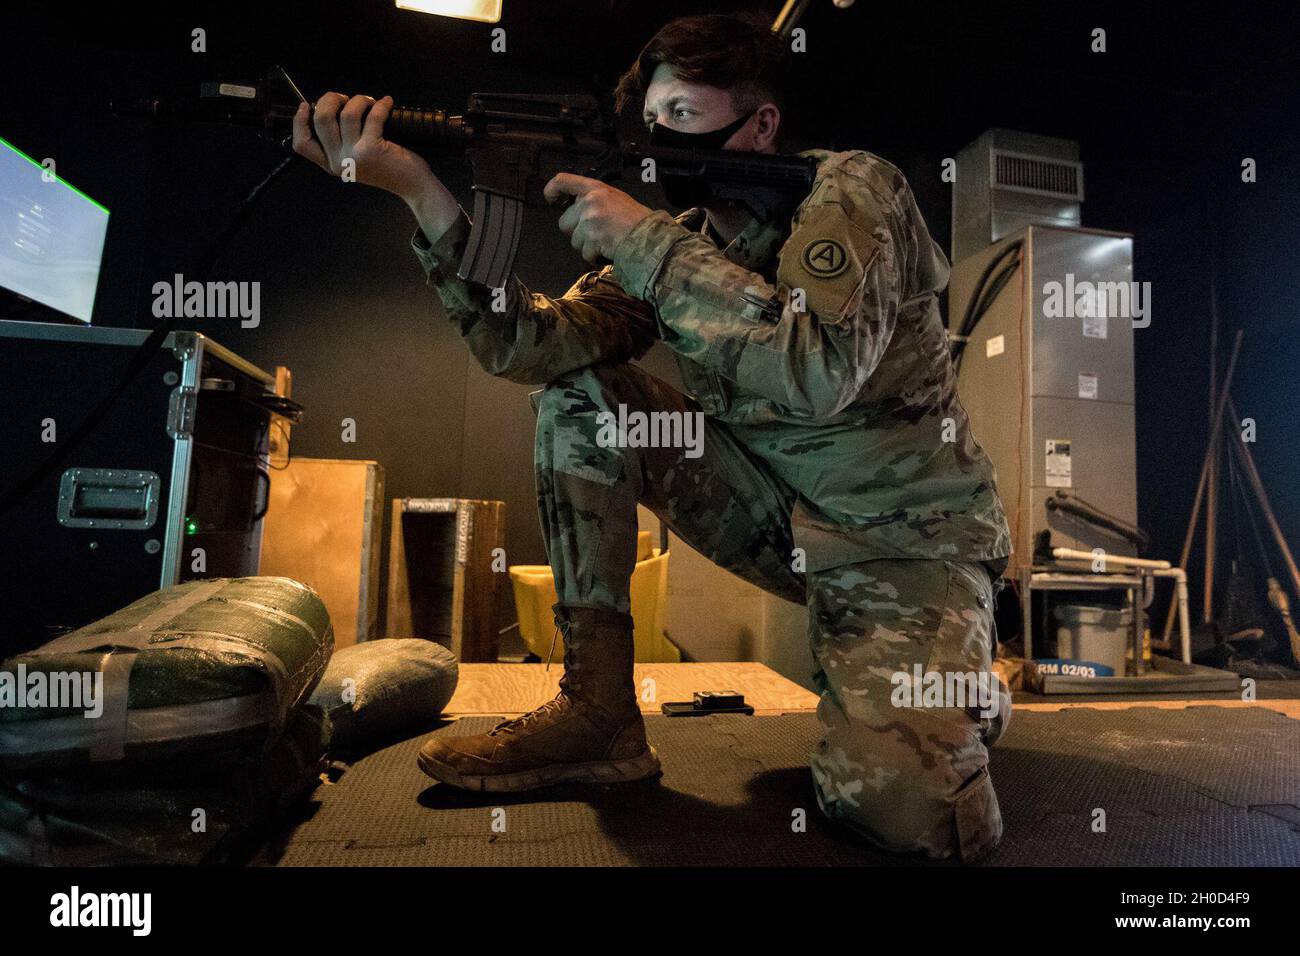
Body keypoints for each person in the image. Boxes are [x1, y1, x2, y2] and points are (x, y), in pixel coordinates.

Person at [292, 12, 1013, 862]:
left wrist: (644, 242)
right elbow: (527, 346)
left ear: (762, 124)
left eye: (682, 114)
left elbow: (816, 371)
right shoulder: (688, 240)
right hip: (780, 524)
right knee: (583, 396)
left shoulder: (855, 191)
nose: (660, 138)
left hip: (908, 542)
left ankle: (962, 679)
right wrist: (416, 189)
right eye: (653, 120)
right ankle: (598, 717)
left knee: (909, 820)